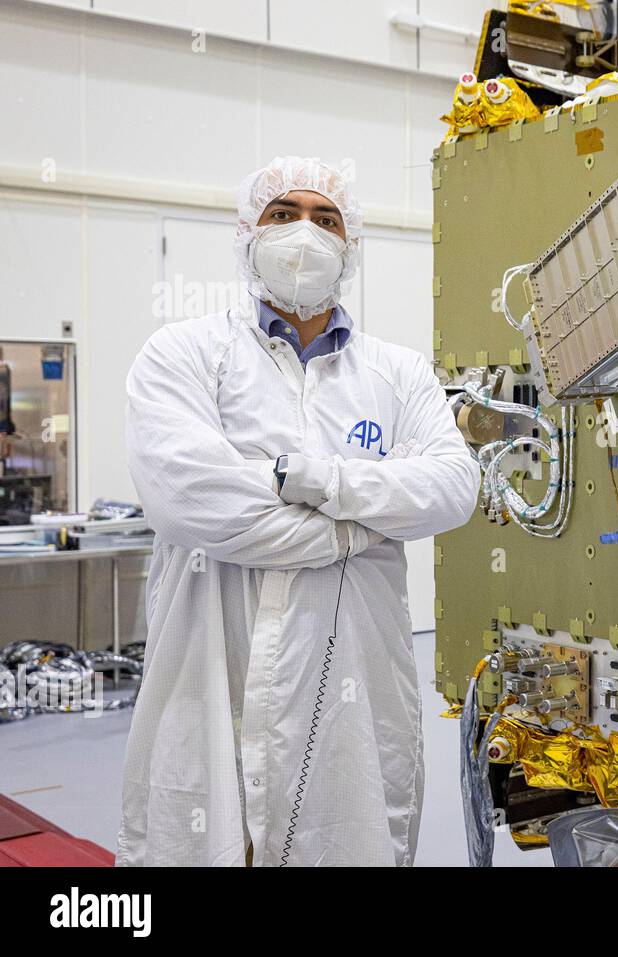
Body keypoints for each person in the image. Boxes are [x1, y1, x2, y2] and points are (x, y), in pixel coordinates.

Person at [116, 156, 480, 866]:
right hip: (208, 670)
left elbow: (450, 488)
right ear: (247, 233)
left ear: (350, 244)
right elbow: (191, 501)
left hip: (353, 686)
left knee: (343, 840)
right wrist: (363, 522)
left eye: (326, 218)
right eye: (283, 214)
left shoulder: (399, 372)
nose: (305, 234)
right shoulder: (183, 354)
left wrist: (318, 480)